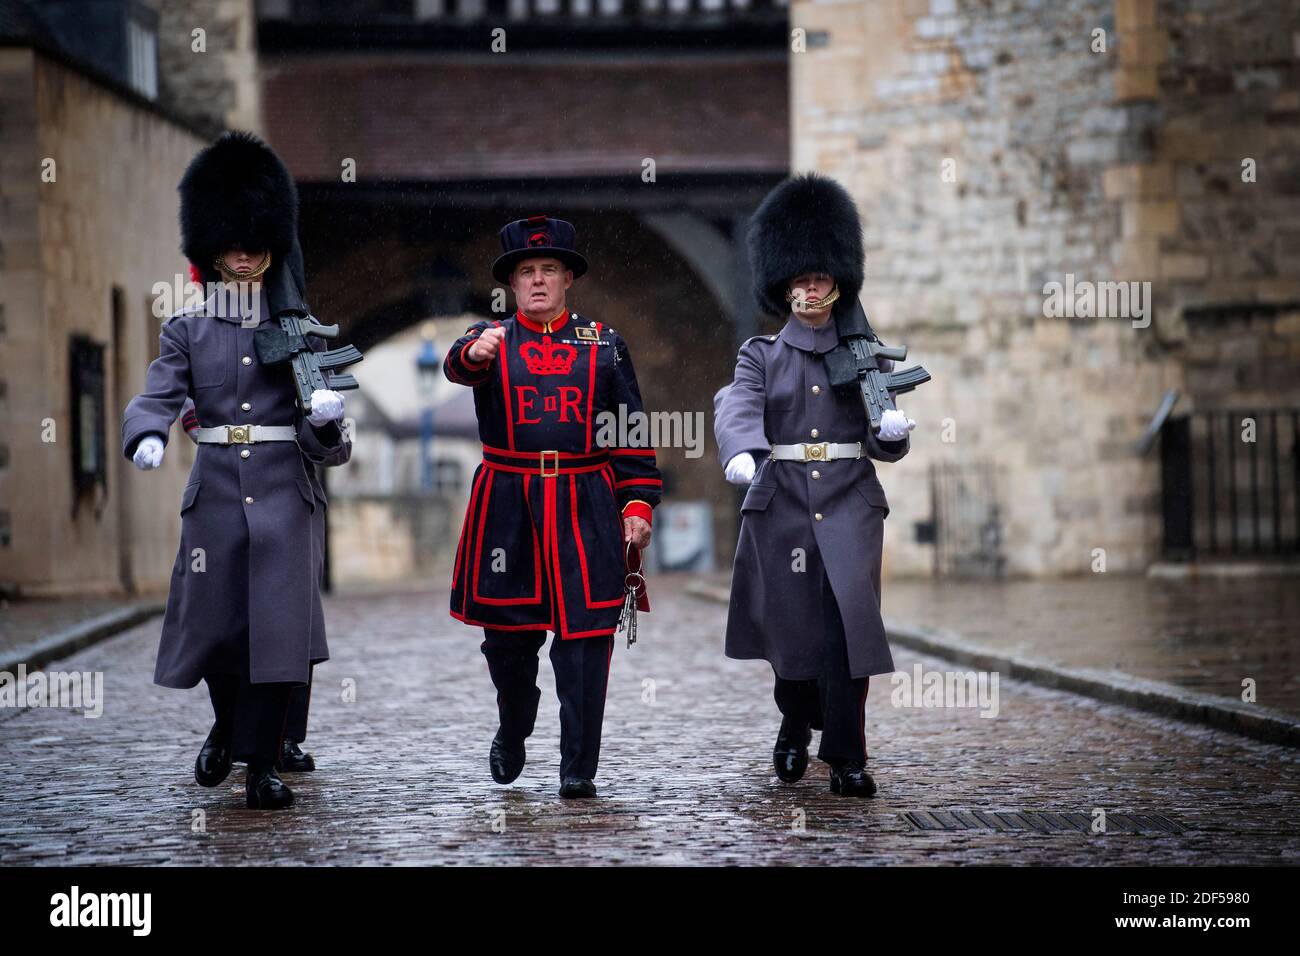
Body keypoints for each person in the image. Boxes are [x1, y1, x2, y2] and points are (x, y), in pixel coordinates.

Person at [122, 131, 352, 809]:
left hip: (284, 492)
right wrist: (147, 434)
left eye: (255, 240)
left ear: (271, 244)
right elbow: (159, 391)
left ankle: (261, 769)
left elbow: (331, 448)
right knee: (219, 630)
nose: (245, 253)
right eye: (233, 241)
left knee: (278, 634)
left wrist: (324, 420)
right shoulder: (187, 331)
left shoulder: (302, 332)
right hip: (217, 490)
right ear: (212, 250)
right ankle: (226, 724)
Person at [442, 215, 661, 799]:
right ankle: (515, 724)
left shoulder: (605, 344)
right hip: (507, 505)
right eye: (526, 273)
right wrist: (474, 346)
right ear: (512, 285)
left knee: (587, 640)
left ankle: (577, 768)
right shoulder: (488, 340)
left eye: (548, 271)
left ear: (567, 279)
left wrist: (636, 501)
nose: (537, 281)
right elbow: (457, 364)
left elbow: (629, 430)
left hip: (585, 501)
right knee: (508, 643)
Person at [713, 173, 916, 797]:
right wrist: (744, 452)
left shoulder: (866, 352)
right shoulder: (762, 354)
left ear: (836, 282)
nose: (810, 288)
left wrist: (892, 427)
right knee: (792, 637)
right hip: (783, 506)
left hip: (850, 500)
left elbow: (886, 441)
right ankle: (794, 722)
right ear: (785, 285)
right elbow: (737, 403)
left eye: (820, 278)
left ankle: (849, 757)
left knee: (851, 627)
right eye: (799, 279)